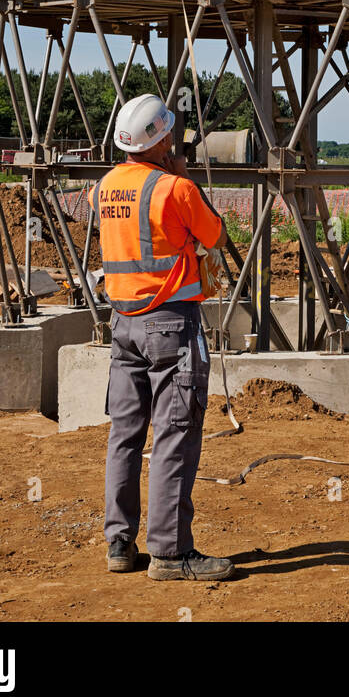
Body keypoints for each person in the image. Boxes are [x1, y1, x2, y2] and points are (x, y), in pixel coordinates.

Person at [92, 93, 234, 582]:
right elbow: (213, 235)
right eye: (168, 131)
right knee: (175, 433)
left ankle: (119, 543)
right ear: (161, 138)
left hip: (123, 325)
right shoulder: (175, 189)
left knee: (125, 435)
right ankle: (171, 555)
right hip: (171, 323)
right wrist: (182, 177)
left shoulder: (106, 186)